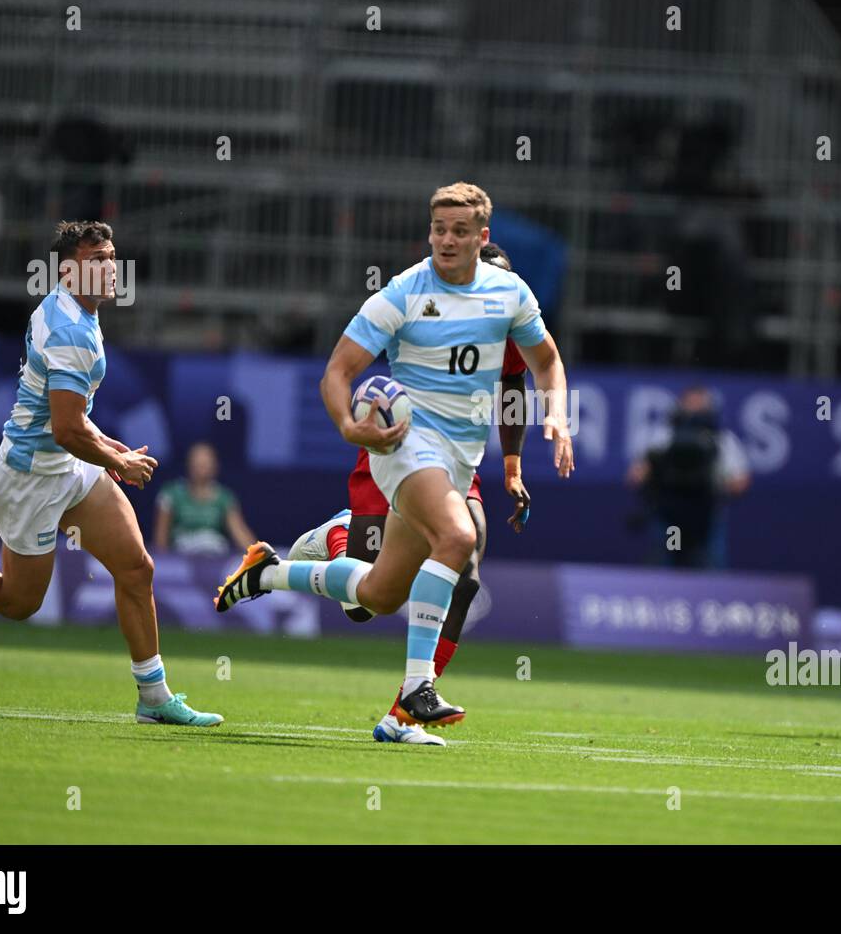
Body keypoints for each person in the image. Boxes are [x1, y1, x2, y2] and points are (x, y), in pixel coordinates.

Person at [214, 182, 573, 731]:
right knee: (459, 537)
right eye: (438, 230)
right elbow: (337, 372)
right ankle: (415, 692)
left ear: (483, 237)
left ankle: (267, 574)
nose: (446, 241)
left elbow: (546, 362)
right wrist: (348, 425)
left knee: (378, 595)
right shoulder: (402, 293)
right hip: (404, 444)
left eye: (458, 231)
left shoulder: (510, 293)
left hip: (458, 460)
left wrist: (557, 416)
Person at [0, 220, 222, 726]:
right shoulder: (70, 330)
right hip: (30, 477)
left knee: (136, 569)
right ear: (67, 270)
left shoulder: (71, 306)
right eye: (96, 260)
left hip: (70, 465)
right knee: (15, 602)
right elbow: (63, 428)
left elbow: (73, 422)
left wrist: (105, 445)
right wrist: (116, 459)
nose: (108, 268)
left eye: (111, 257)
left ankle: (154, 697)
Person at [287, 242, 532, 746]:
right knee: (365, 606)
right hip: (401, 452)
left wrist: (512, 465)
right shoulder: (423, 303)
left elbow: (512, 387)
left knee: (466, 571)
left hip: (458, 464)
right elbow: (344, 364)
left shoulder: (506, 319)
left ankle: (408, 708)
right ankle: (337, 534)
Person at [626, 387, 750, 568]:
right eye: (690, 406)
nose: (694, 413)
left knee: (708, 567)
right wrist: (654, 477)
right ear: (680, 407)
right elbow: (635, 476)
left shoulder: (721, 440)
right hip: (672, 519)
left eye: (700, 407)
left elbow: (741, 482)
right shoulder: (664, 437)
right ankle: (664, 595)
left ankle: (711, 595)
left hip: (705, 518)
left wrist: (715, 484)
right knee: (667, 563)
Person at [153, 442, 256, 554]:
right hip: (181, 558)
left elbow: (240, 532)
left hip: (214, 558)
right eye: (197, 463)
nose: (200, 468)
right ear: (188, 464)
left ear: (215, 466)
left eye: (205, 463)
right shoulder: (171, 494)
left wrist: (259, 558)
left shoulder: (224, 498)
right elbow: (160, 539)